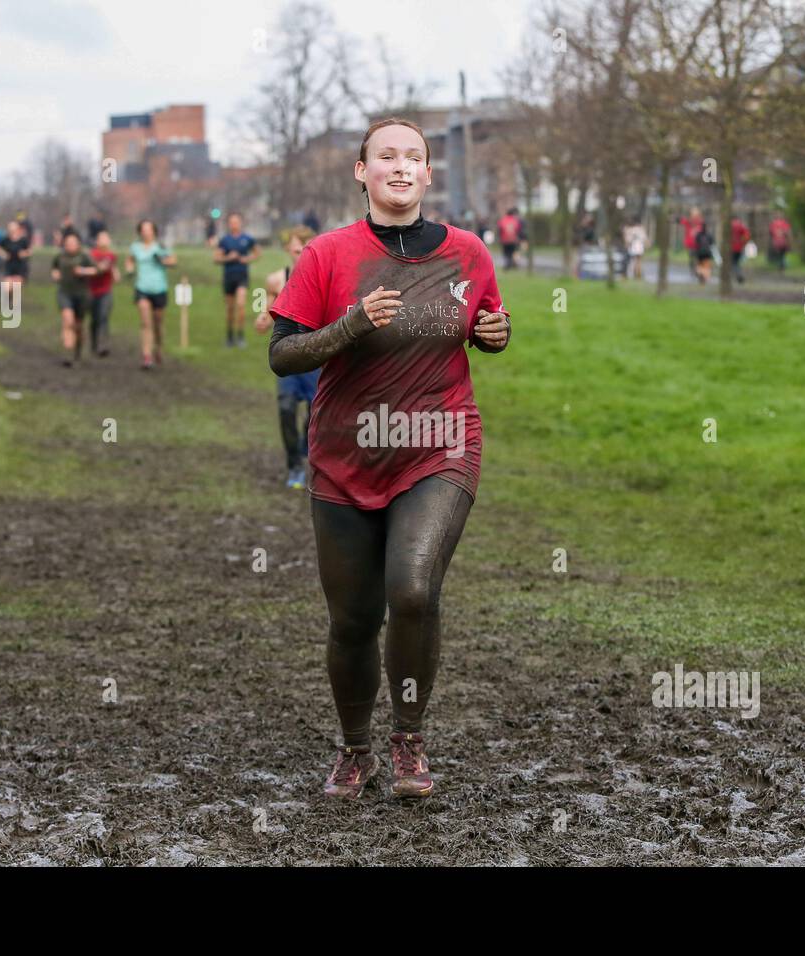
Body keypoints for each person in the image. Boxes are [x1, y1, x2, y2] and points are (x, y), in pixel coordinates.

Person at [267, 117, 511, 801]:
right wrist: (351, 324)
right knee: (353, 619)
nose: (400, 167)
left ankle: (408, 741)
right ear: (362, 171)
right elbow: (282, 354)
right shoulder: (325, 255)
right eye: (385, 157)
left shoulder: (468, 252)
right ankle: (355, 751)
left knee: (411, 588)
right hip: (347, 455)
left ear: (429, 174)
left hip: (439, 447)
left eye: (413, 158)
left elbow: (486, 321)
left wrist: (497, 332)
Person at [254, 225, 318, 489]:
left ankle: (306, 449)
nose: (300, 254)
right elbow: (267, 307)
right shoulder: (276, 280)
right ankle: (294, 464)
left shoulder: (324, 278)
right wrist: (262, 318)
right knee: (286, 408)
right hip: (289, 358)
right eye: (296, 249)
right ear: (287, 251)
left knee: (316, 413)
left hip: (316, 357)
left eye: (306, 249)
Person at [125, 219, 177, 370]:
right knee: (145, 322)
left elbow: (173, 261)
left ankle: (158, 347)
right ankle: (146, 356)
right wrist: (129, 269)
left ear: (154, 231)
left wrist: (163, 261)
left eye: (149, 229)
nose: (146, 232)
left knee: (157, 323)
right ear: (140, 232)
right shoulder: (135, 247)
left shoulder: (160, 246)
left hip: (159, 289)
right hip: (142, 288)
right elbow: (130, 260)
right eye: (144, 229)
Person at [50, 233, 98, 367]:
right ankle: (68, 352)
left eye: (73, 242)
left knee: (78, 326)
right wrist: (55, 274)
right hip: (64, 293)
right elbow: (54, 268)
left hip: (82, 295)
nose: (70, 245)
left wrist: (83, 271)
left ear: (78, 244)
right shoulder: (60, 256)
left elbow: (96, 270)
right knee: (67, 320)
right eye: (68, 243)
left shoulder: (84, 256)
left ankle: (77, 351)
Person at [214, 213, 259, 348]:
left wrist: (247, 259)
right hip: (228, 277)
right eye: (232, 222)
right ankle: (229, 336)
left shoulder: (247, 238)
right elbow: (216, 258)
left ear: (240, 223)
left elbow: (257, 253)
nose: (234, 224)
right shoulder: (225, 240)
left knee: (240, 305)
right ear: (229, 224)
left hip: (242, 277)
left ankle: (240, 336)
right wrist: (228, 258)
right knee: (230, 309)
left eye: (236, 222)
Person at [88, 230, 120, 357]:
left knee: (103, 316)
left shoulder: (111, 256)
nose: (104, 241)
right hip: (91, 291)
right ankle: (94, 343)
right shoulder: (91, 254)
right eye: (102, 238)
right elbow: (99, 268)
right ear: (97, 241)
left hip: (106, 291)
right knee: (94, 319)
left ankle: (103, 345)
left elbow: (107, 267)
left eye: (107, 238)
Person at [0, 219, 31, 289]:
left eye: (13, 227)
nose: (11, 229)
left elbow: (29, 251)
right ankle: (9, 299)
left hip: (20, 267)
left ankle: (14, 299)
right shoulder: (6, 240)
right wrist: (4, 255)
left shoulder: (23, 240)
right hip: (9, 266)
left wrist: (23, 254)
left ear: (17, 228)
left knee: (16, 288)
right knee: (7, 288)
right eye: (10, 227)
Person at [679, 207, 704, 278]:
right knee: (692, 258)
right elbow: (681, 220)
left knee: (698, 258)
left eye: (696, 213)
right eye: (693, 213)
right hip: (690, 244)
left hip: (699, 244)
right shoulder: (688, 221)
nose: (694, 215)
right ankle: (693, 271)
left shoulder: (701, 222)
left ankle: (697, 271)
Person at [730, 216, 751, 285]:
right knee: (736, 262)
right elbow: (747, 235)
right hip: (739, 247)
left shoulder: (730, 225)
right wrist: (743, 243)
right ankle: (739, 275)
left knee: (733, 263)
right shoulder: (741, 225)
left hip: (732, 247)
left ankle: (739, 275)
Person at [693, 220, 714, 284]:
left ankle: (700, 273)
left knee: (700, 264)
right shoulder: (709, 235)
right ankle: (704, 276)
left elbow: (696, 243)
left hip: (700, 252)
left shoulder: (698, 235)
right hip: (707, 253)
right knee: (706, 266)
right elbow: (712, 243)